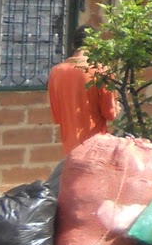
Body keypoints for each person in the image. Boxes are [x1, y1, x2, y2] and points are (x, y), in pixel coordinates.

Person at [47, 26, 119, 155]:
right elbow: (110, 114)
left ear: (73, 45)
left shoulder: (56, 72)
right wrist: (117, 105)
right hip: (96, 149)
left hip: (70, 150)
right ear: (94, 45)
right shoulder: (100, 71)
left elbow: (57, 116)